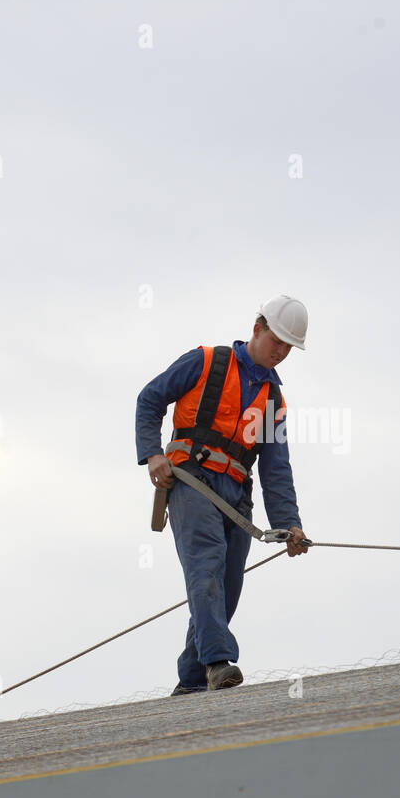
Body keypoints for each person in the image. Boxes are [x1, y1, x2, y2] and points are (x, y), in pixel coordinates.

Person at [135, 295, 310, 696]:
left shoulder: (273, 402)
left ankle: (193, 681)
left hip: (236, 495)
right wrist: (152, 454)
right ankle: (218, 661)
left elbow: (276, 468)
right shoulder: (205, 361)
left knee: (227, 585)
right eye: (277, 341)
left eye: (288, 347)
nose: (281, 352)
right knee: (206, 566)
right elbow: (149, 398)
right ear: (257, 329)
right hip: (191, 480)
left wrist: (289, 525)